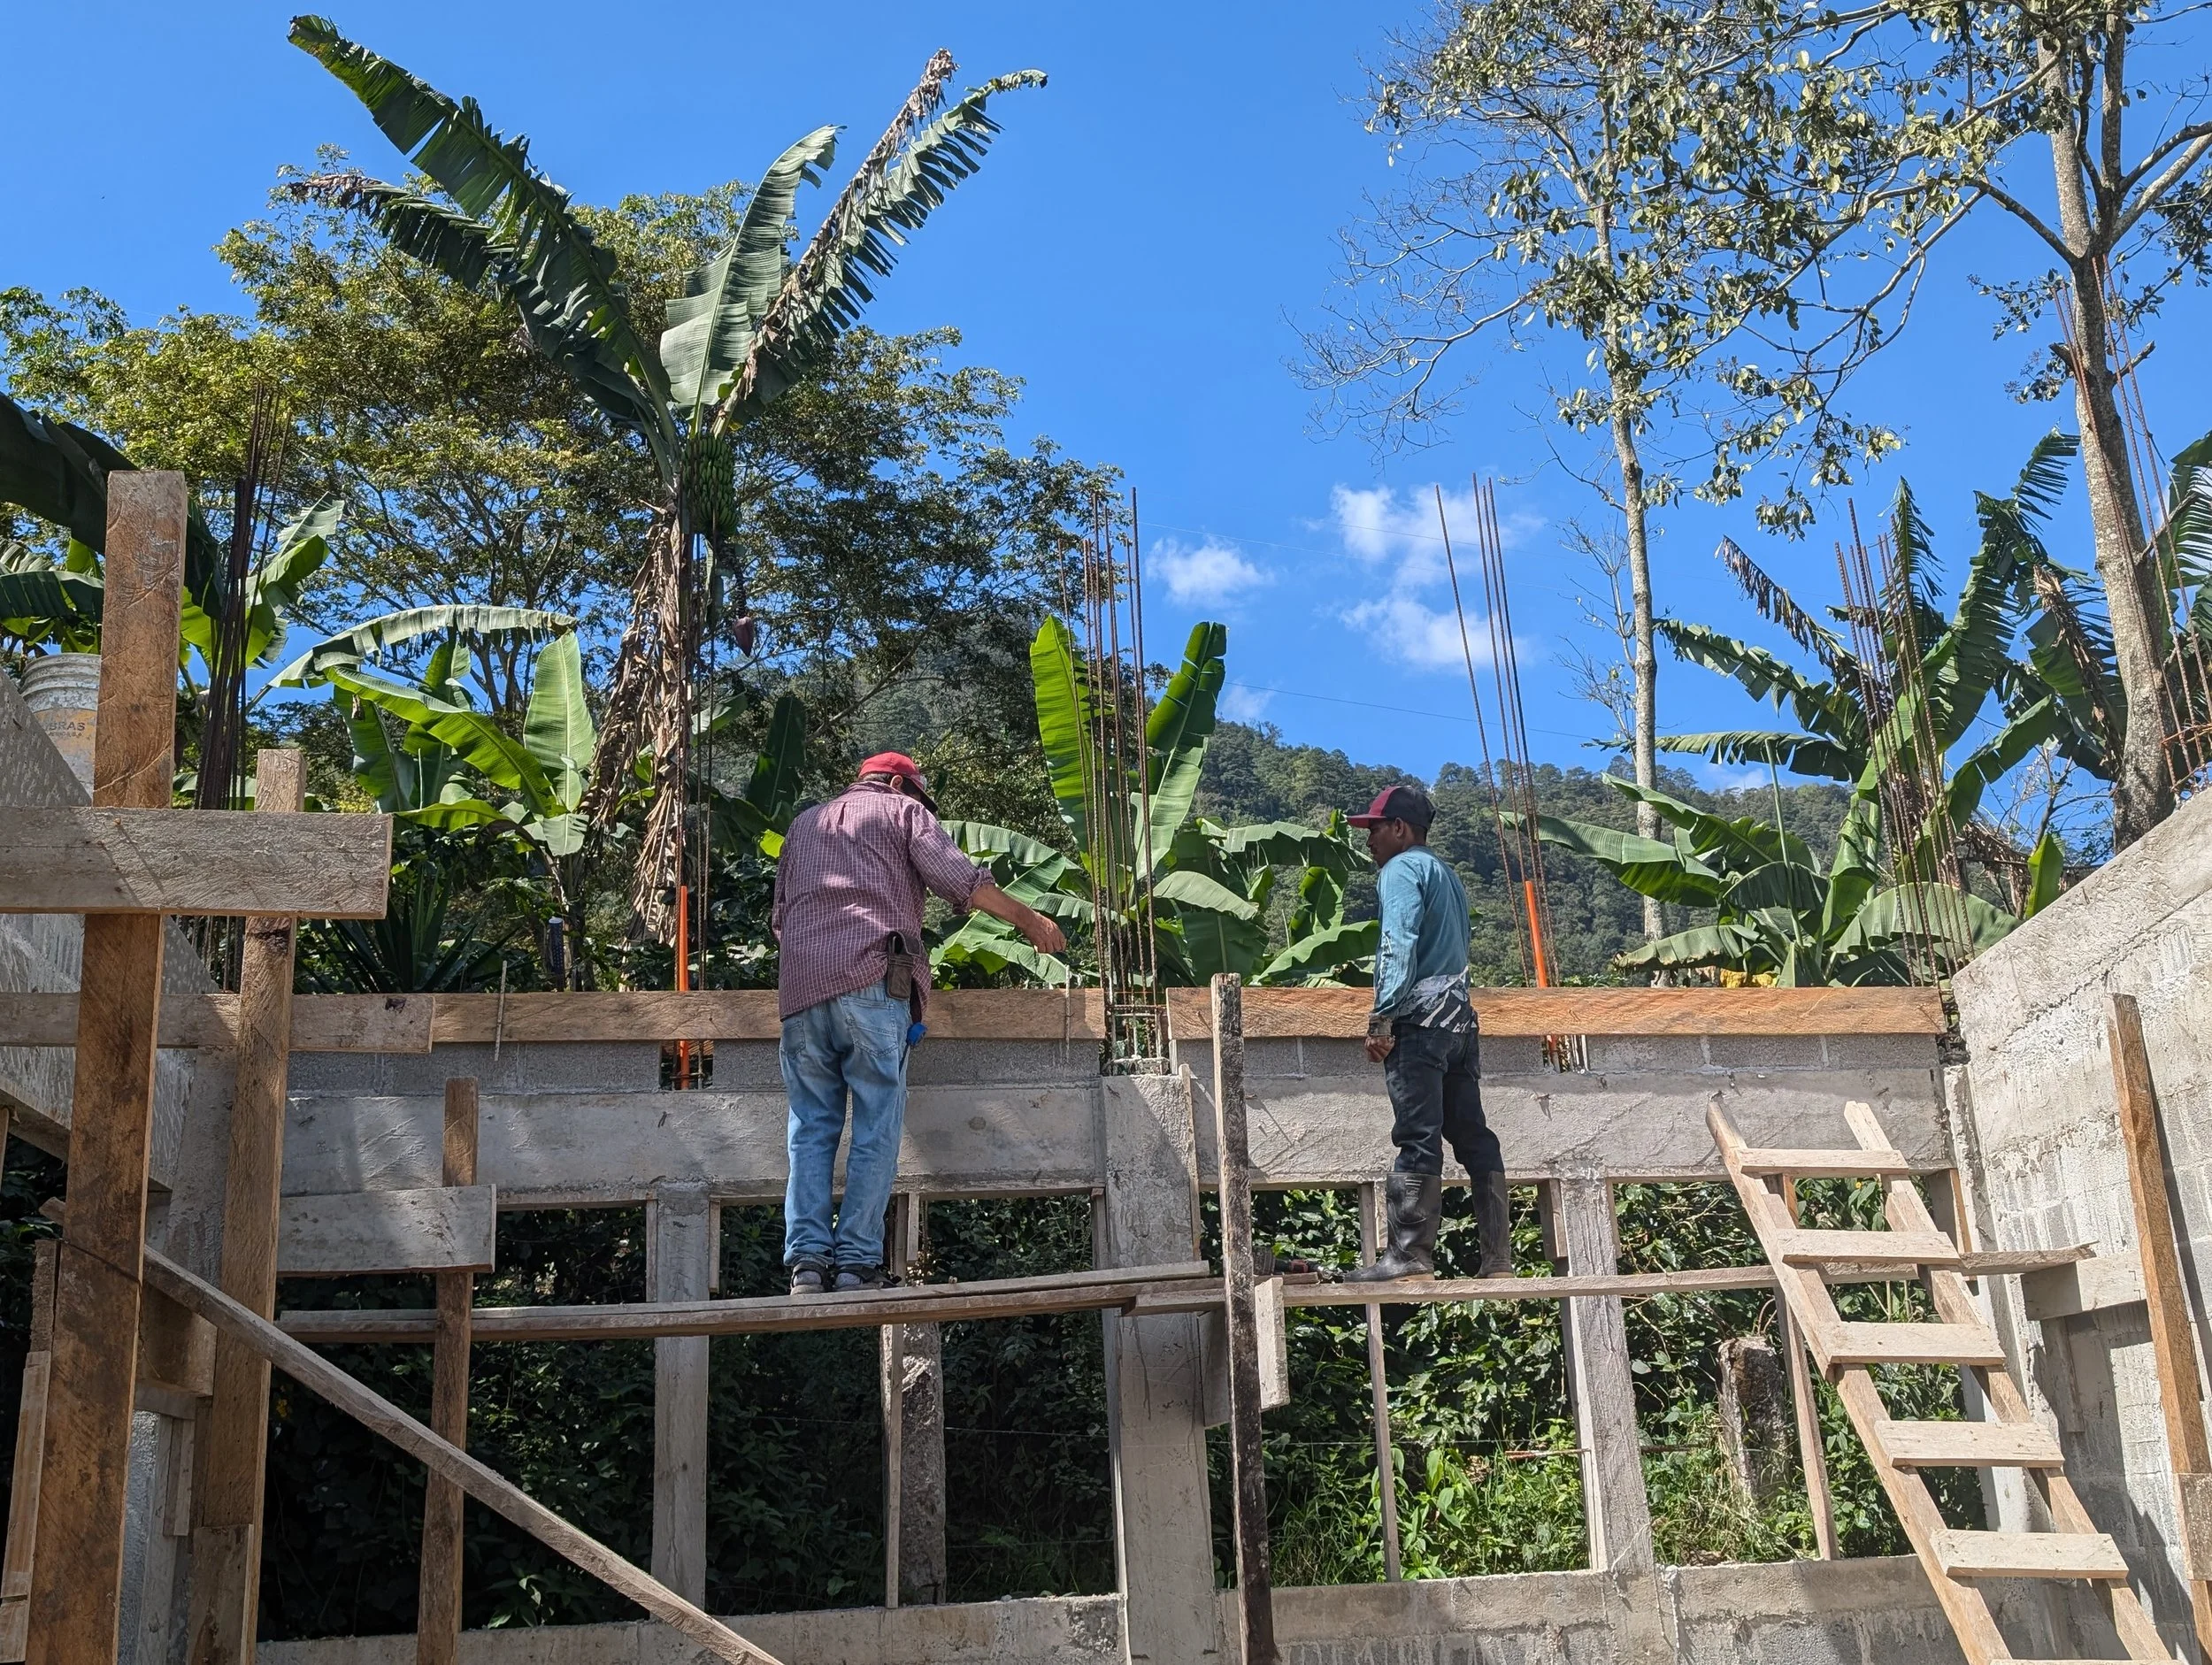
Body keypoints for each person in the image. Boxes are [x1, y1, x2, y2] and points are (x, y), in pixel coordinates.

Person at [773, 752, 1065, 1294]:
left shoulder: (803, 824)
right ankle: (857, 1265)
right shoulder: (904, 813)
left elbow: (780, 918)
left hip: (800, 994)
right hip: (871, 983)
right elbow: (965, 884)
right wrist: (1031, 919)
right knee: (876, 1127)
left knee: (810, 1130)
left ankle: (807, 1266)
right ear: (898, 784)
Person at [1340, 782, 1510, 1283]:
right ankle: (1497, 1259)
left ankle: (1410, 1256)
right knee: (1473, 1134)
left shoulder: (1401, 870)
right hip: (1459, 1021)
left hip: (1419, 1022)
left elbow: (1398, 943)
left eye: (1374, 829)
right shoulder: (1448, 876)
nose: (1368, 840)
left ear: (1400, 828)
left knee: (1418, 1137)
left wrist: (1382, 1017)